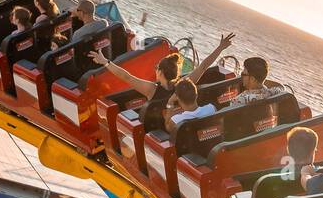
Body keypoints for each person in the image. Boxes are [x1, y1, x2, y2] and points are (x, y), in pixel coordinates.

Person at [89, 32, 234, 129]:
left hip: (156, 130)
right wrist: (220, 48)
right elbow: (203, 66)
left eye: (157, 67)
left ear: (161, 72)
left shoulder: (152, 89)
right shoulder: (184, 84)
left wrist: (106, 62)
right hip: (177, 128)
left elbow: (126, 76)